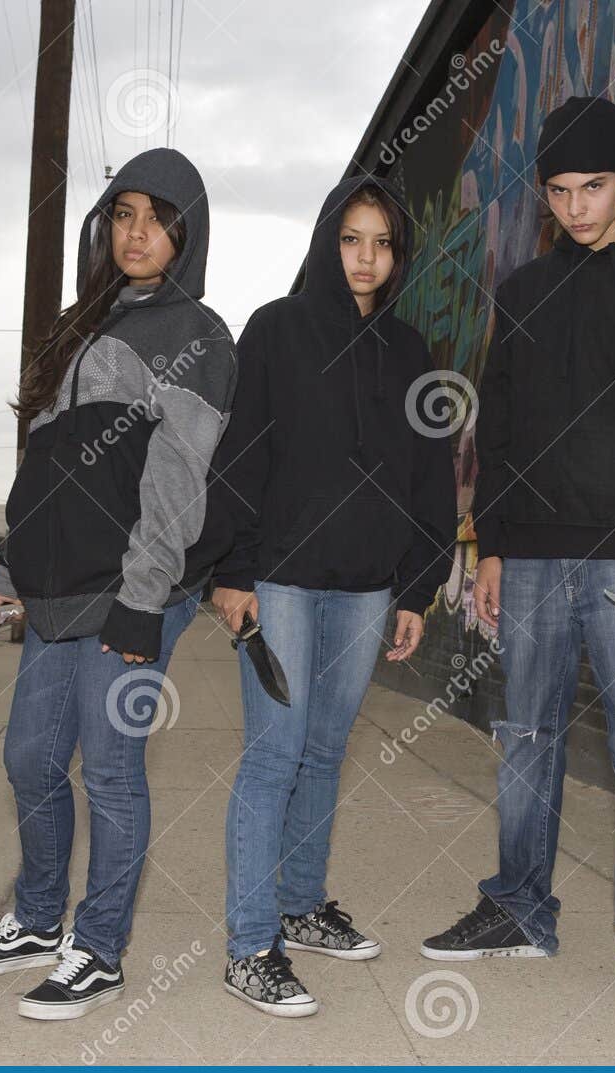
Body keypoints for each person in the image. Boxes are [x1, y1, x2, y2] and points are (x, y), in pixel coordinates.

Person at [420, 96, 615, 1030]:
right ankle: (520, 906)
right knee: (524, 742)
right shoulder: (522, 293)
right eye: (557, 191)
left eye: (592, 187)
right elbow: (503, 435)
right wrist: (490, 547)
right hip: (532, 563)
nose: (575, 207)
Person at [0, 149, 237, 1021]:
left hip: (130, 589)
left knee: (111, 769)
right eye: (122, 214)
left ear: (186, 233)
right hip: (57, 587)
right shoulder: (79, 329)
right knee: (30, 757)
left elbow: (179, 481)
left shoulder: (199, 335)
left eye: (156, 217)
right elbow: (40, 469)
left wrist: (145, 603)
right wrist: (9, 568)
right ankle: (37, 920)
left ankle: (100, 948)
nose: (136, 232)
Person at [210, 177, 456, 1017]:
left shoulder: (411, 351)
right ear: (328, 240)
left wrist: (419, 585)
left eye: (383, 244)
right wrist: (232, 572)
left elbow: (430, 476)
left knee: (323, 751)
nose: (367, 259)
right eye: (353, 240)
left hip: (367, 587)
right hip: (278, 576)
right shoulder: (275, 330)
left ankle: (301, 906)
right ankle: (250, 946)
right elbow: (240, 455)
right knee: (275, 754)